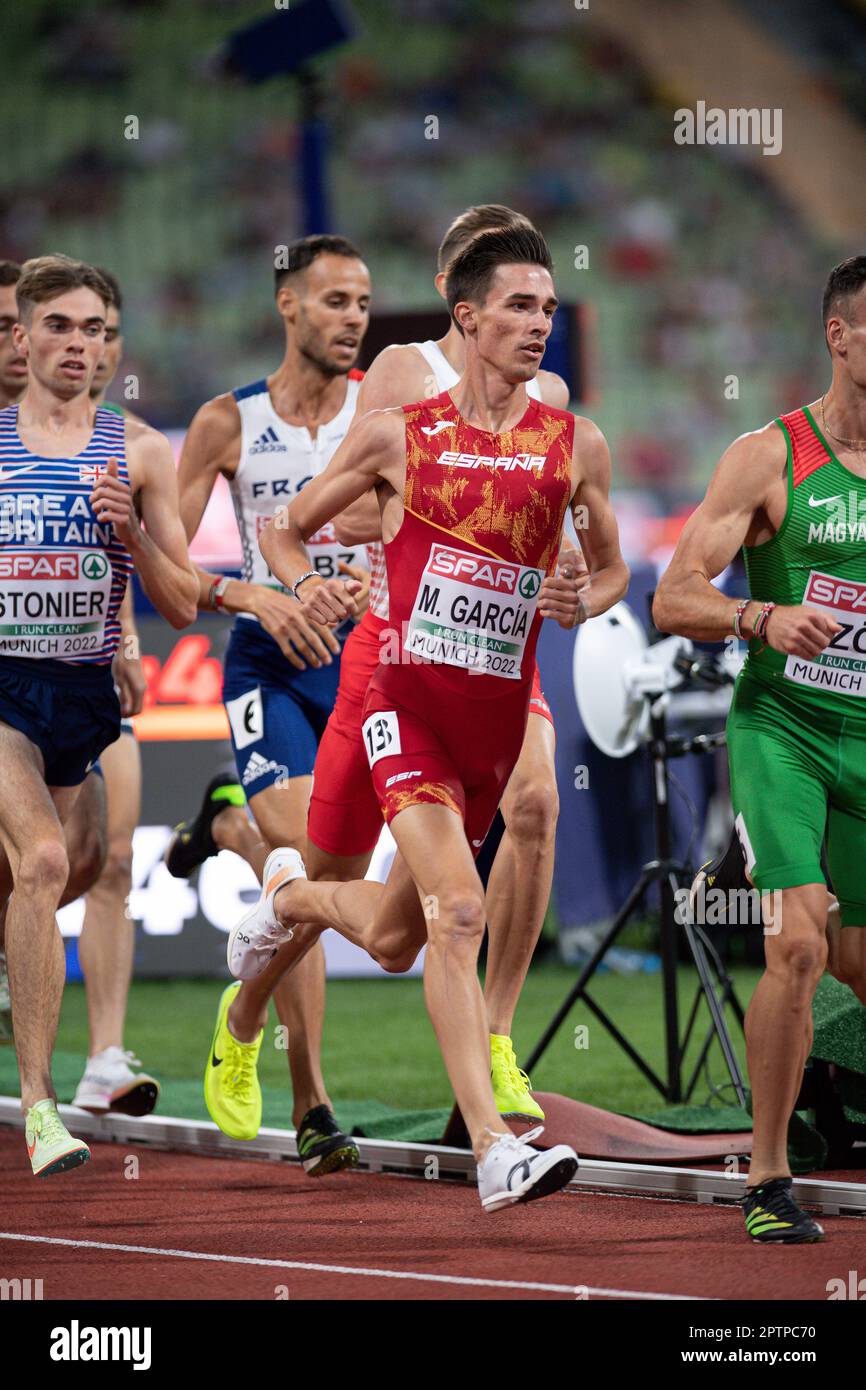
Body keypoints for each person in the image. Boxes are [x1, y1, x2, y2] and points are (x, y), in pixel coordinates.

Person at [231, 226, 630, 1210]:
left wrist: (580, 593)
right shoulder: (401, 423)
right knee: (457, 909)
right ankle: (495, 1150)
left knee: (396, 934)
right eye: (519, 308)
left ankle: (284, 903)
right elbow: (285, 525)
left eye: (546, 309)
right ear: (467, 317)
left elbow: (609, 566)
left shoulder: (573, 441)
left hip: (491, 719)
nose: (539, 325)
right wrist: (301, 589)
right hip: (403, 702)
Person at [654, 254, 866, 1243]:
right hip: (782, 727)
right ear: (838, 334)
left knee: (856, 959)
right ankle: (767, 1177)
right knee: (794, 938)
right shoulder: (768, 454)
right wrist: (758, 614)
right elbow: (671, 595)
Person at [170, 235, 371, 1174]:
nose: (354, 319)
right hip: (272, 664)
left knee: (321, 878)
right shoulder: (227, 423)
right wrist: (247, 593)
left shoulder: (389, 414)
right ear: (288, 307)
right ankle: (314, 1104)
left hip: (369, 664)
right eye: (334, 301)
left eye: (363, 303)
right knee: (301, 866)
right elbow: (168, 572)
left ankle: (225, 830)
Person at [0, 254, 196, 1176]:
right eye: (61, 326)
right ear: (26, 335)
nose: (79, 345)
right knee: (41, 858)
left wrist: (131, 536)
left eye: (97, 331)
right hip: (3, 688)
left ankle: (25, 974)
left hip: (83, 694)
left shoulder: (143, 451)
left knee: (79, 867)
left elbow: (186, 598)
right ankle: (42, 1105)